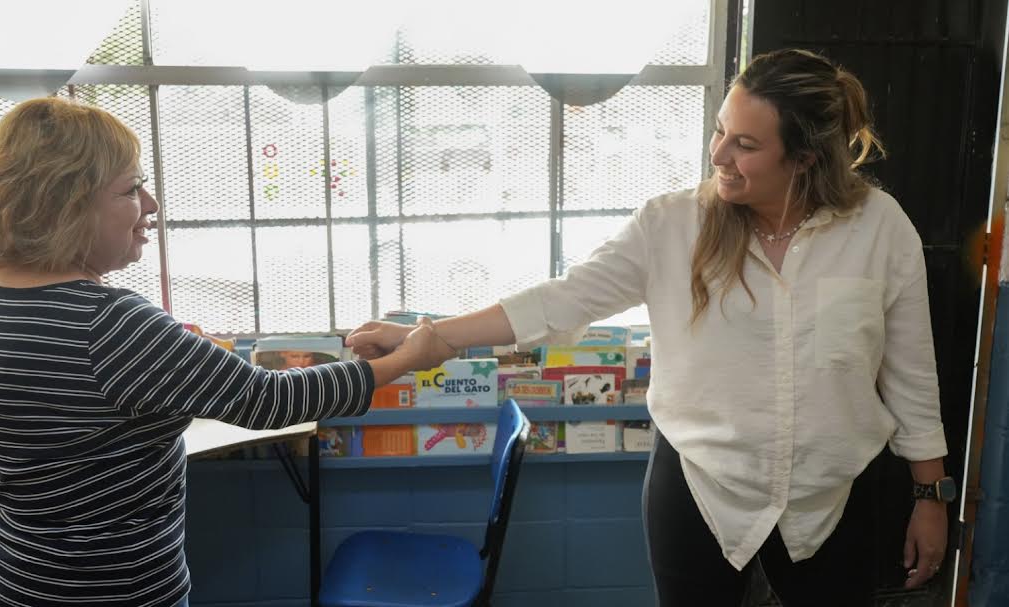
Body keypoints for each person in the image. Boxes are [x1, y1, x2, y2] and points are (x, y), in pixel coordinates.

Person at [347, 49, 953, 606]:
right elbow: (561, 300)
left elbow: (910, 372)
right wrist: (432, 337)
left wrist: (929, 497)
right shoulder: (672, 225)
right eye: (720, 130)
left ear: (805, 157)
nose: (718, 156)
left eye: (745, 144)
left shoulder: (880, 229)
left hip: (831, 497)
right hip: (698, 489)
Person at [0, 97, 454, 607]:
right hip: (107, 588)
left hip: (14, 572)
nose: (150, 205)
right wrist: (406, 358)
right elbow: (267, 399)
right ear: (66, 204)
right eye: (131, 189)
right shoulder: (108, 322)